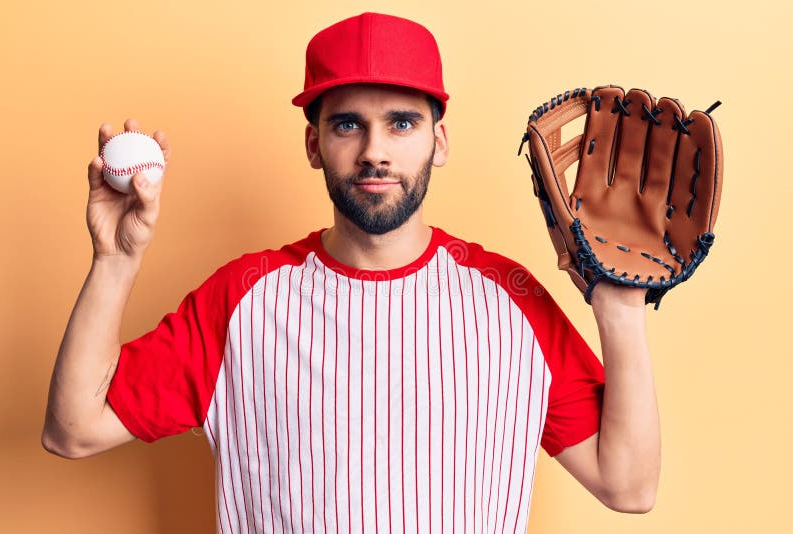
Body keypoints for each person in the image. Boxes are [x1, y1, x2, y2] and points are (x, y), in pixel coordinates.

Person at [42, 12, 660, 533]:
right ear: (313, 145)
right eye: (346, 124)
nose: (374, 150)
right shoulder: (241, 299)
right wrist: (116, 260)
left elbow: (628, 486)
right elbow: (73, 429)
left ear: (438, 142)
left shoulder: (511, 300)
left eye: (401, 121)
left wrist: (619, 306)